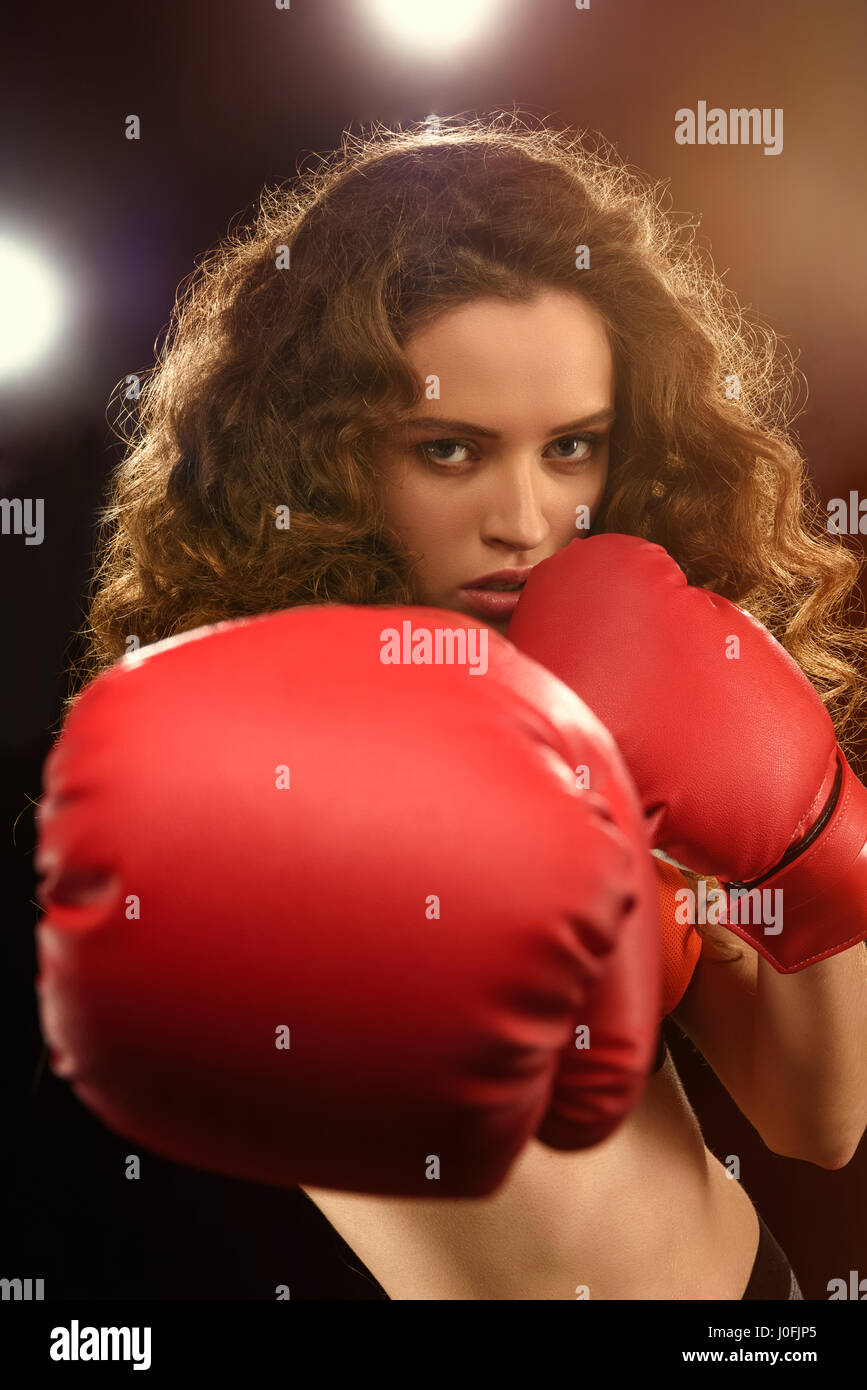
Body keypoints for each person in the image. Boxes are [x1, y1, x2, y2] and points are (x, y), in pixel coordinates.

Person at [45, 114, 867, 1300]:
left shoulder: (630, 680)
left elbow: (819, 1120)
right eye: (449, 450)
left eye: (572, 447)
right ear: (322, 456)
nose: (526, 519)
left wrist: (809, 834)